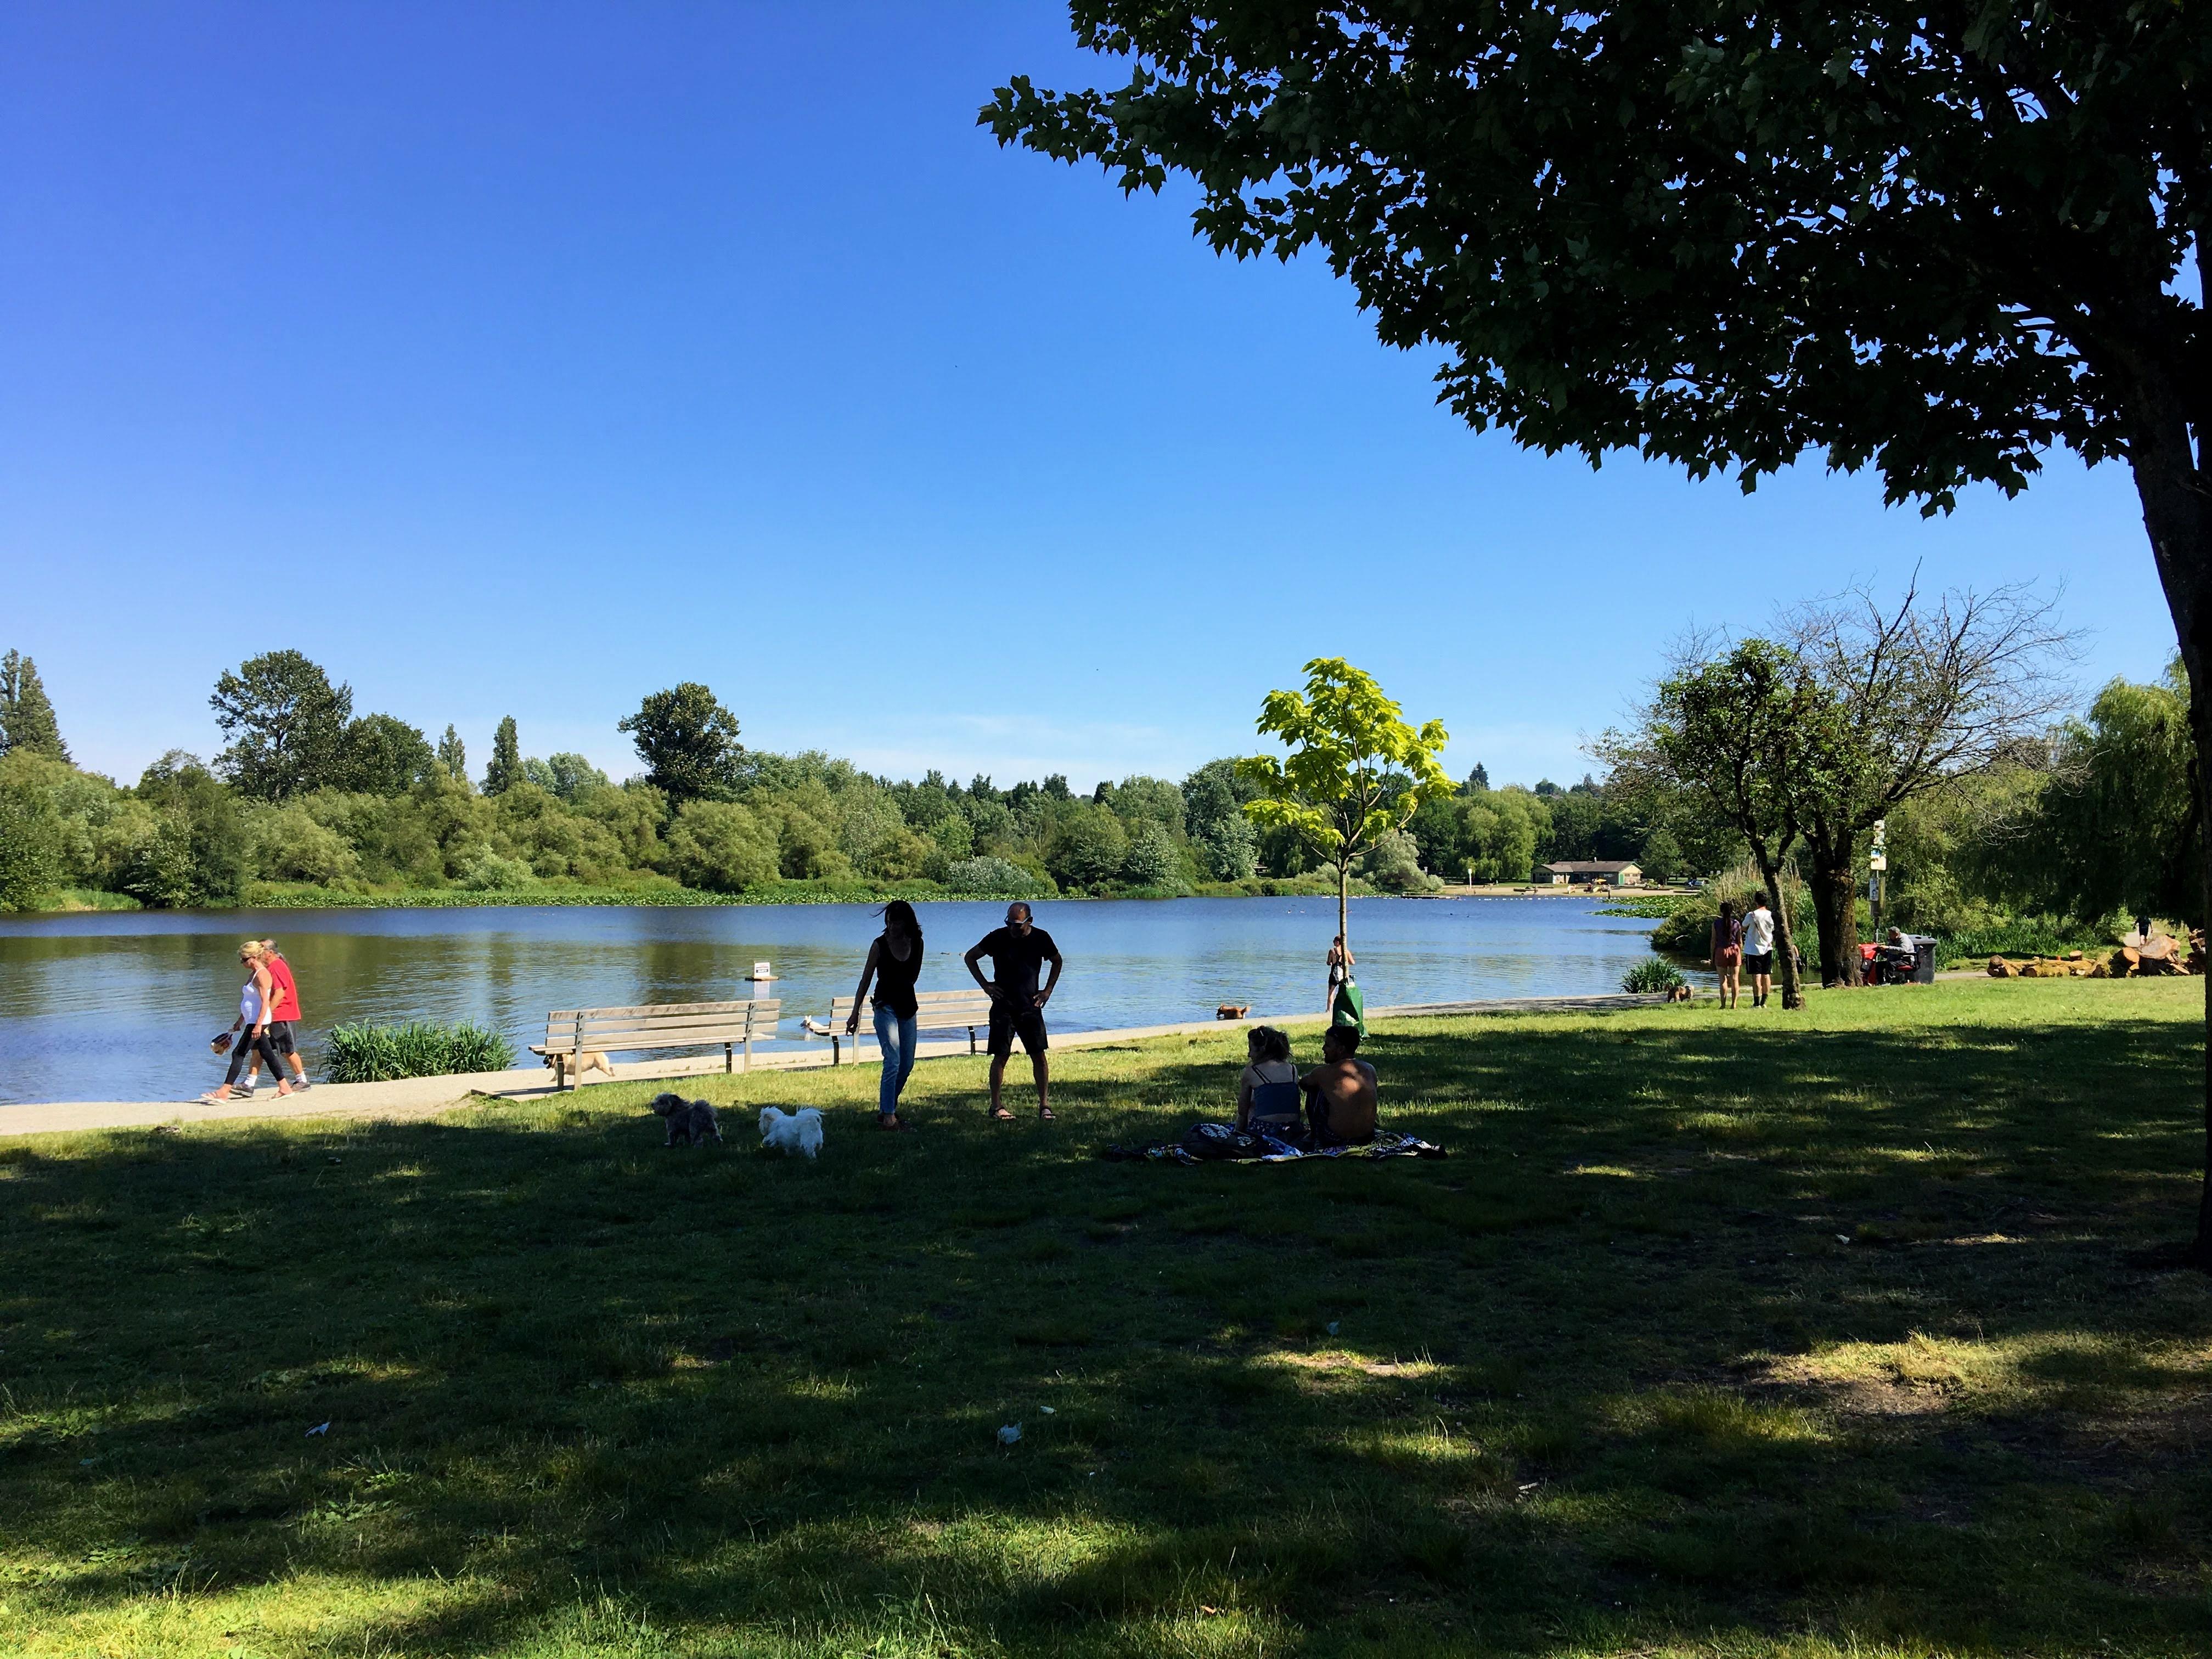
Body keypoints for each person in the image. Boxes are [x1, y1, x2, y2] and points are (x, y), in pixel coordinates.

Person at [963, 901, 1063, 1121]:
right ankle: (996, 1106)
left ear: (1029, 921)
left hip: (1031, 1006)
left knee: (1039, 1056)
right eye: (1009, 923)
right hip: (1003, 1007)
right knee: (1001, 1056)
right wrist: (986, 986)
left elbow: (1057, 961)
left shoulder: (1041, 938)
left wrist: (1047, 991)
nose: (1013, 928)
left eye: (1017, 925)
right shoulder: (997, 938)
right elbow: (970, 957)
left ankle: (1044, 1105)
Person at [845, 900, 924, 1131]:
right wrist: (855, 1013)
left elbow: (913, 977)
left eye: (896, 923)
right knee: (893, 1060)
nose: (891, 927)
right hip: (884, 1006)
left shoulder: (917, 943)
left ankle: (886, 1109)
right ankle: (889, 1117)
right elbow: (866, 979)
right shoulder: (879, 945)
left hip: (908, 1008)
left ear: (906, 923)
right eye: (888, 922)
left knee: (907, 1065)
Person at [202, 942, 294, 1104]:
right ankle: (285, 1087)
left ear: (253, 958)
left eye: (244, 959)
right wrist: (239, 1022)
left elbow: (265, 1002)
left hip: (258, 1021)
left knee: (238, 1053)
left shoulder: (262, 975)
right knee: (267, 1054)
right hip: (252, 1020)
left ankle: (224, 1092)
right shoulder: (253, 973)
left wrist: (258, 1025)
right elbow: (249, 1000)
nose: (242, 963)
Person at [242, 938, 311, 1092]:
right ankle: (249, 1084)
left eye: (262, 951)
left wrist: (266, 1014)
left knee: (287, 1050)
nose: (259, 954)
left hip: (282, 1015)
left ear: (270, 953)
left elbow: (279, 993)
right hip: (272, 1016)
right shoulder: (268, 968)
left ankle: (302, 1081)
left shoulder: (276, 967)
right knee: (258, 1049)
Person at [1302, 1024, 1377, 1148]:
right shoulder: (1370, 1069)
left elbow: (1303, 1083)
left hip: (1335, 1139)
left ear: (1341, 1049)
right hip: (1367, 1137)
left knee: (1314, 1087)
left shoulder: (1324, 1073)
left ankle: (1314, 1136)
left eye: (1328, 1045)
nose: (1323, 1049)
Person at [1235, 1025, 1302, 1141]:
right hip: (1293, 1130)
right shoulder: (1292, 1069)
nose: (1249, 1055)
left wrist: (1236, 1136)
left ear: (1262, 1049)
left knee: (1251, 1103)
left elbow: (1242, 1112)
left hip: (1266, 1132)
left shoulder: (1252, 1072)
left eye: (1251, 1049)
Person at [1742, 896, 1777, 1007]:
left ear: (1756, 901)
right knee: (1766, 975)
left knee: (1756, 976)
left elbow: (1743, 927)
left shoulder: (1752, 915)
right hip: (1767, 947)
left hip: (1753, 949)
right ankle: (1764, 1002)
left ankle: (1756, 1003)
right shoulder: (1771, 915)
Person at [1709, 901, 1742, 1009]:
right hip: (1735, 950)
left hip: (1721, 950)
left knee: (1723, 979)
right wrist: (1740, 953)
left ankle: (1723, 1005)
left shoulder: (1716, 923)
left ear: (1721, 911)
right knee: (1735, 978)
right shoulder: (1737, 924)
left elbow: (1714, 940)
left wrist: (1712, 955)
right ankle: (1734, 1004)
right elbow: (1740, 941)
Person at [1325, 934, 1354, 1014]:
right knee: (1344, 992)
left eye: (1334, 941)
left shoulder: (1332, 951)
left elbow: (1329, 962)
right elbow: (1353, 963)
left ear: (1338, 942)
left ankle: (1329, 1010)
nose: (1333, 942)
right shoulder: (1346, 951)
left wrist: (1330, 962)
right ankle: (1344, 1008)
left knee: (1331, 993)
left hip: (1334, 975)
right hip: (1343, 975)